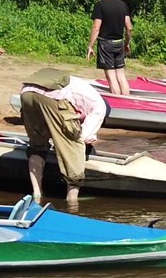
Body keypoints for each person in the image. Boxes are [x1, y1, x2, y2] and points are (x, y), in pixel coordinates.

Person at [18, 69, 107, 203]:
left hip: (26, 93)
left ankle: (37, 194)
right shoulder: (100, 108)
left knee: (38, 144)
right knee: (73, 146)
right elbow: (80, 139)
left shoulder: (84, 90)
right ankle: (72, 200)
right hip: (54, 95)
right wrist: (84, 138)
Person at [86, 0, 133, 95]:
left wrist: (90, 46)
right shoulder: (122, 5)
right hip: (119, 42)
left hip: (105, 44)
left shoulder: (99, 5)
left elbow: (96, 27)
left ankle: (117, 104)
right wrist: (126, 43)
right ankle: (127, 104)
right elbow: (129, 27)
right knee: (121, 76)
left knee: (111, 77)